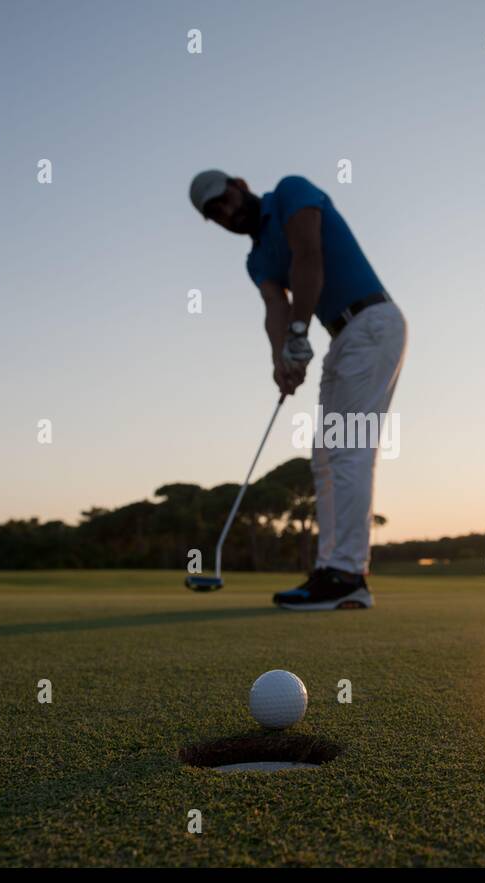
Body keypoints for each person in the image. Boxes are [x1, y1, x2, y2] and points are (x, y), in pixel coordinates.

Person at [189, 170, 406, 610]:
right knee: (325, 459)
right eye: (215, 213)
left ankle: (348, 575)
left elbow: (309, 256)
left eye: (224, 198)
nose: (226, 212)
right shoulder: (256, 260)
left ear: (239, 183)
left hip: (370, 321)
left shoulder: (291, 191)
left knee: (348, 451)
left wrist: (300, 333)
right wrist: (281, 360)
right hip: (344, 336)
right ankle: (332, 569)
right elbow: (275, 305)